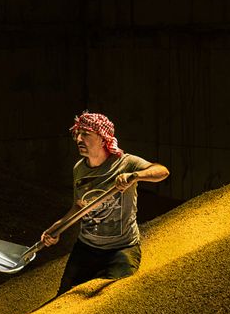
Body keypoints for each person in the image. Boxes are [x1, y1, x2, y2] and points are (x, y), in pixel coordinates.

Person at [40, 111, 169, 295]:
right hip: (86, 248)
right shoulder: (79, 168)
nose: (78, 138)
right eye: (77, 133)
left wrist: (135, 176)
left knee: (117, 296)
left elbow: (162, 171)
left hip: (122, 249)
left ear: (102, 138)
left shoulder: (125, 163)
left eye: (85, 134)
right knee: (64, 297)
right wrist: (59, 226)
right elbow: (80, 205)